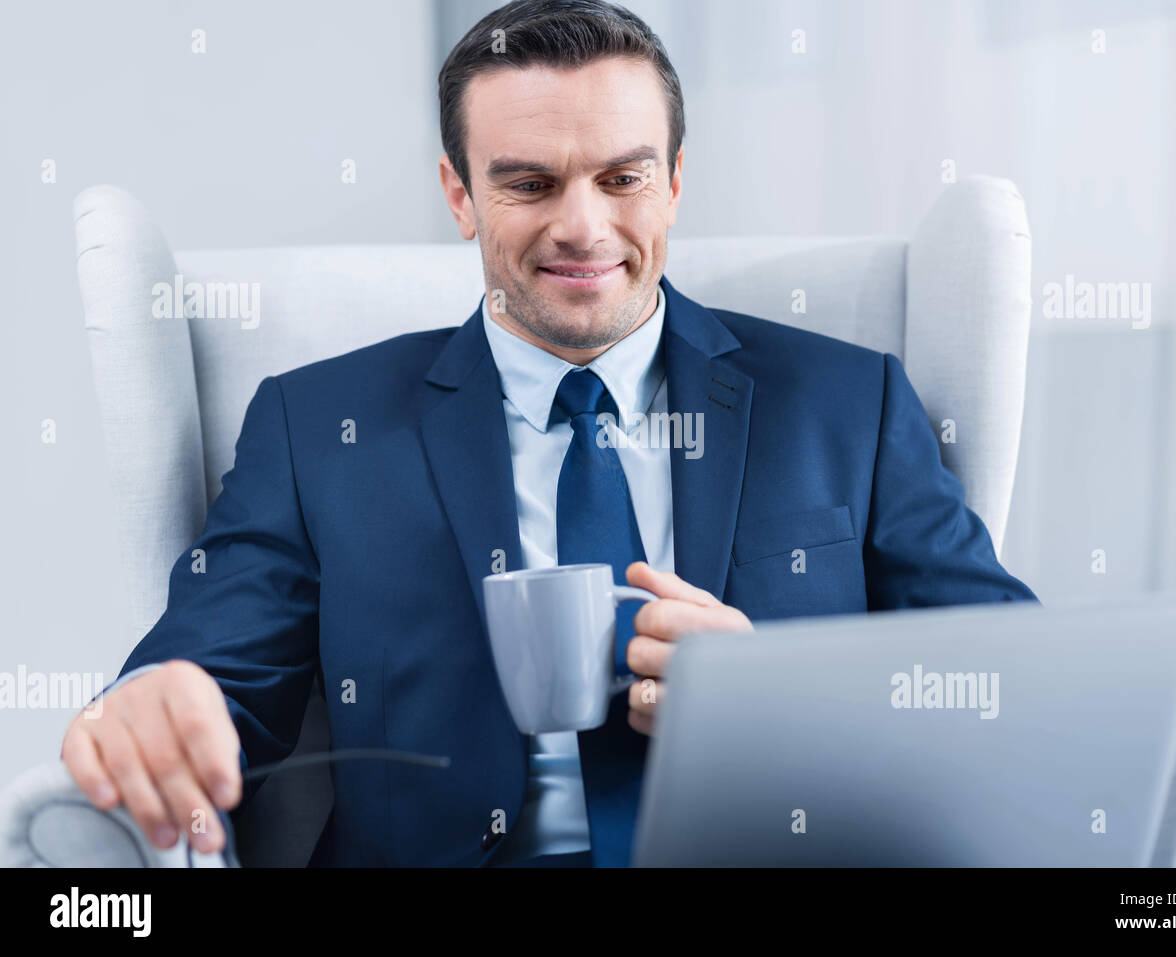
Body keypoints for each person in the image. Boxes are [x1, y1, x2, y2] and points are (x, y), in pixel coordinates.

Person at [60, 0, 1037, 867]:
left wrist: (781, 708)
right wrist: (152, 705)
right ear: (459, 195)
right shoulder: (316, 426)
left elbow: (1013, 693)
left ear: (675, 182)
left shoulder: (845, 400)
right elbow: (206, 677)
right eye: (528, 184)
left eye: (621, 178)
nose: (582, 227)